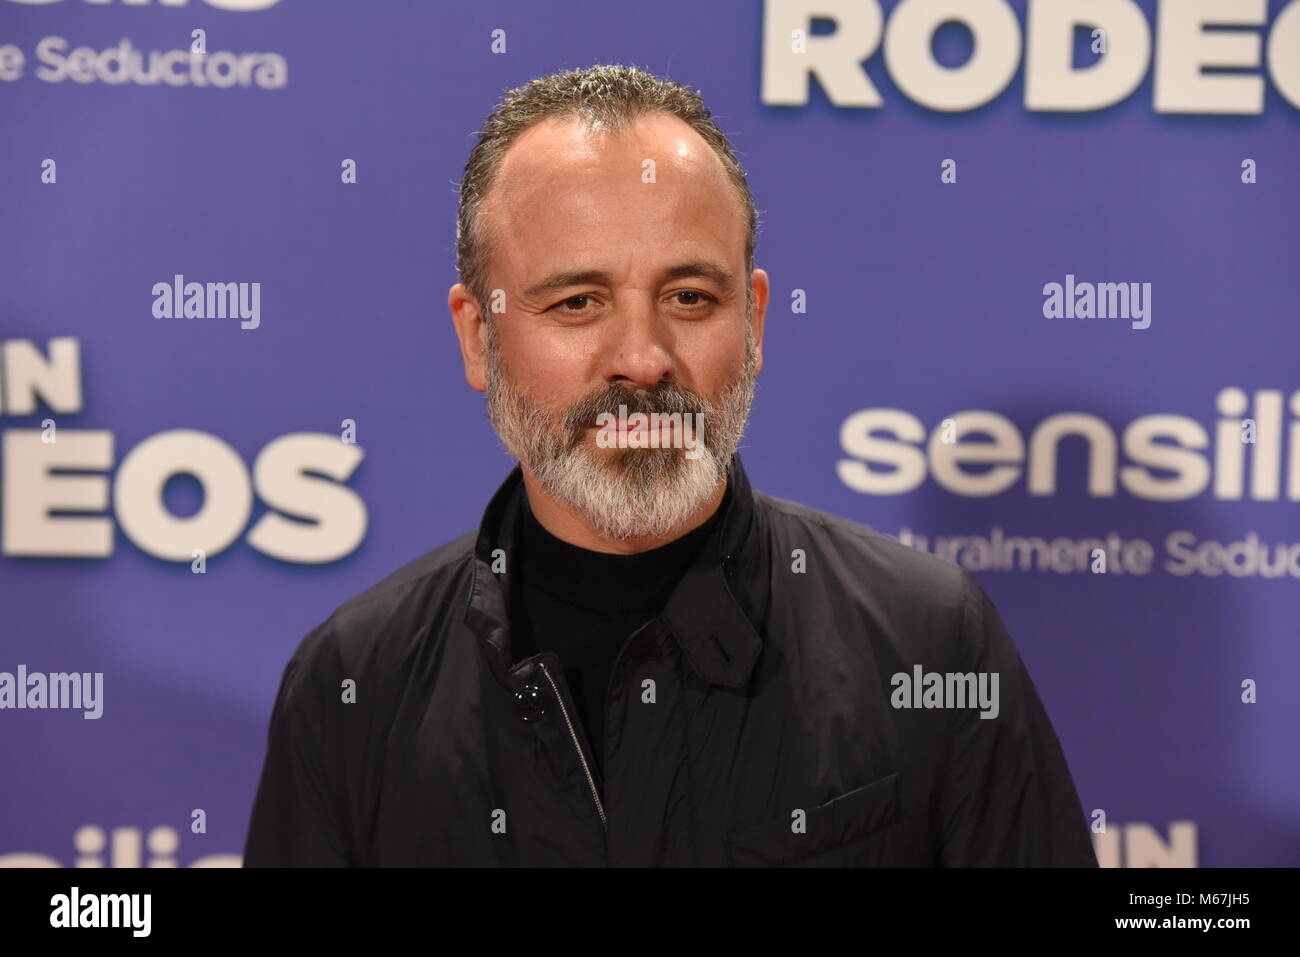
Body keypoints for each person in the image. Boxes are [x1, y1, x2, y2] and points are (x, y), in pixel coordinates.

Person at [243, 63, 1097, 867]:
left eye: (690, 298)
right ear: (479, 335)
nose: (643, 360)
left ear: (754, 322)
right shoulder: (352, 685)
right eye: (577, 303)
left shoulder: (931, 642)